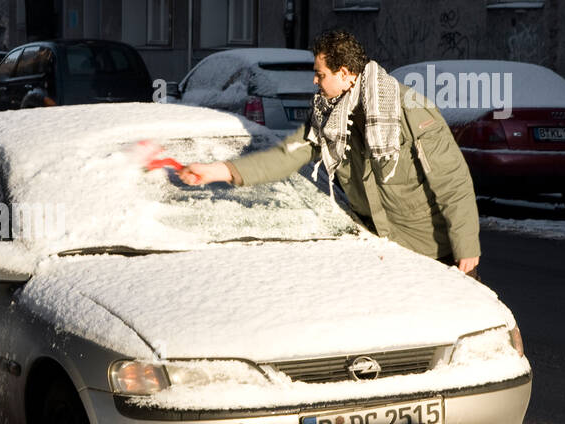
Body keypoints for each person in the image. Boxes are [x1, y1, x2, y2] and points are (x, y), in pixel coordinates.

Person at [178, 28, 482, 277]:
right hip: (379, 252)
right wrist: (219, 170)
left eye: (320, 74)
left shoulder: (409, 109)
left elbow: (451, 183)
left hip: (432, 253)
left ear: (346, 73)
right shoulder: (327, 116)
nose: (314, 80)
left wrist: (466, 247)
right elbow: (288, 155)